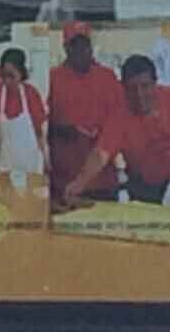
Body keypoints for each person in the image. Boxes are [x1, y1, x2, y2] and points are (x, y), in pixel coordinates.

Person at [66, 55, 170, 206]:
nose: (139, 95)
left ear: (155, 83)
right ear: (123, 88)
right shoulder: (119, 116)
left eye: (145, 86)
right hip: (143, 188)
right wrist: (78, 184)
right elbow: (100, 154)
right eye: (132, 89)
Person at [43, 21, 121, 200]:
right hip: (65, 183)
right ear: (65, 48)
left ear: (90, 46)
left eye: (84, 44)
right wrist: (61, 129)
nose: (80, 50)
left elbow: (119, 124)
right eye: (74, 45)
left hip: (104, 182)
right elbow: (41, 126)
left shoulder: (107, 78)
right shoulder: (52, 78)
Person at [0, 46, 48, 195]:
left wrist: (49, 163)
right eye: (3, 76)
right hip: (7, 168)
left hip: (32, 169)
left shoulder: (31, 94)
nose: (7, 81)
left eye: (11, 76)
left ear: (21, 73)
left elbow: (40, 134)